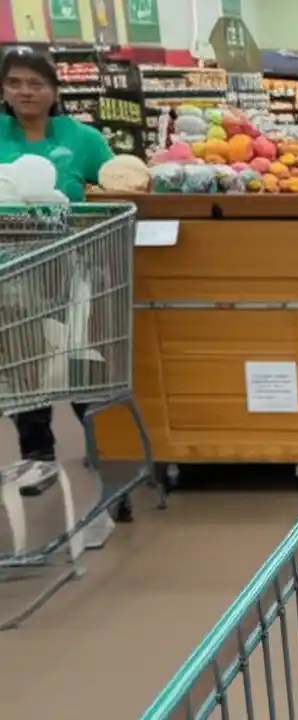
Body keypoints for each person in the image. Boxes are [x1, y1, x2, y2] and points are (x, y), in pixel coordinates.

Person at [0, 48, 112, 488]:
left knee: (80, 356)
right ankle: (37, 453)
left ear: (54, 90)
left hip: (73, 266)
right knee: (23, 364)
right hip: (10, 275)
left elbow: (117, 181)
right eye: (15, 83)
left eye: (36, 83)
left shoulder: (81, 139)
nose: (26, 91)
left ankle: (101, 443)